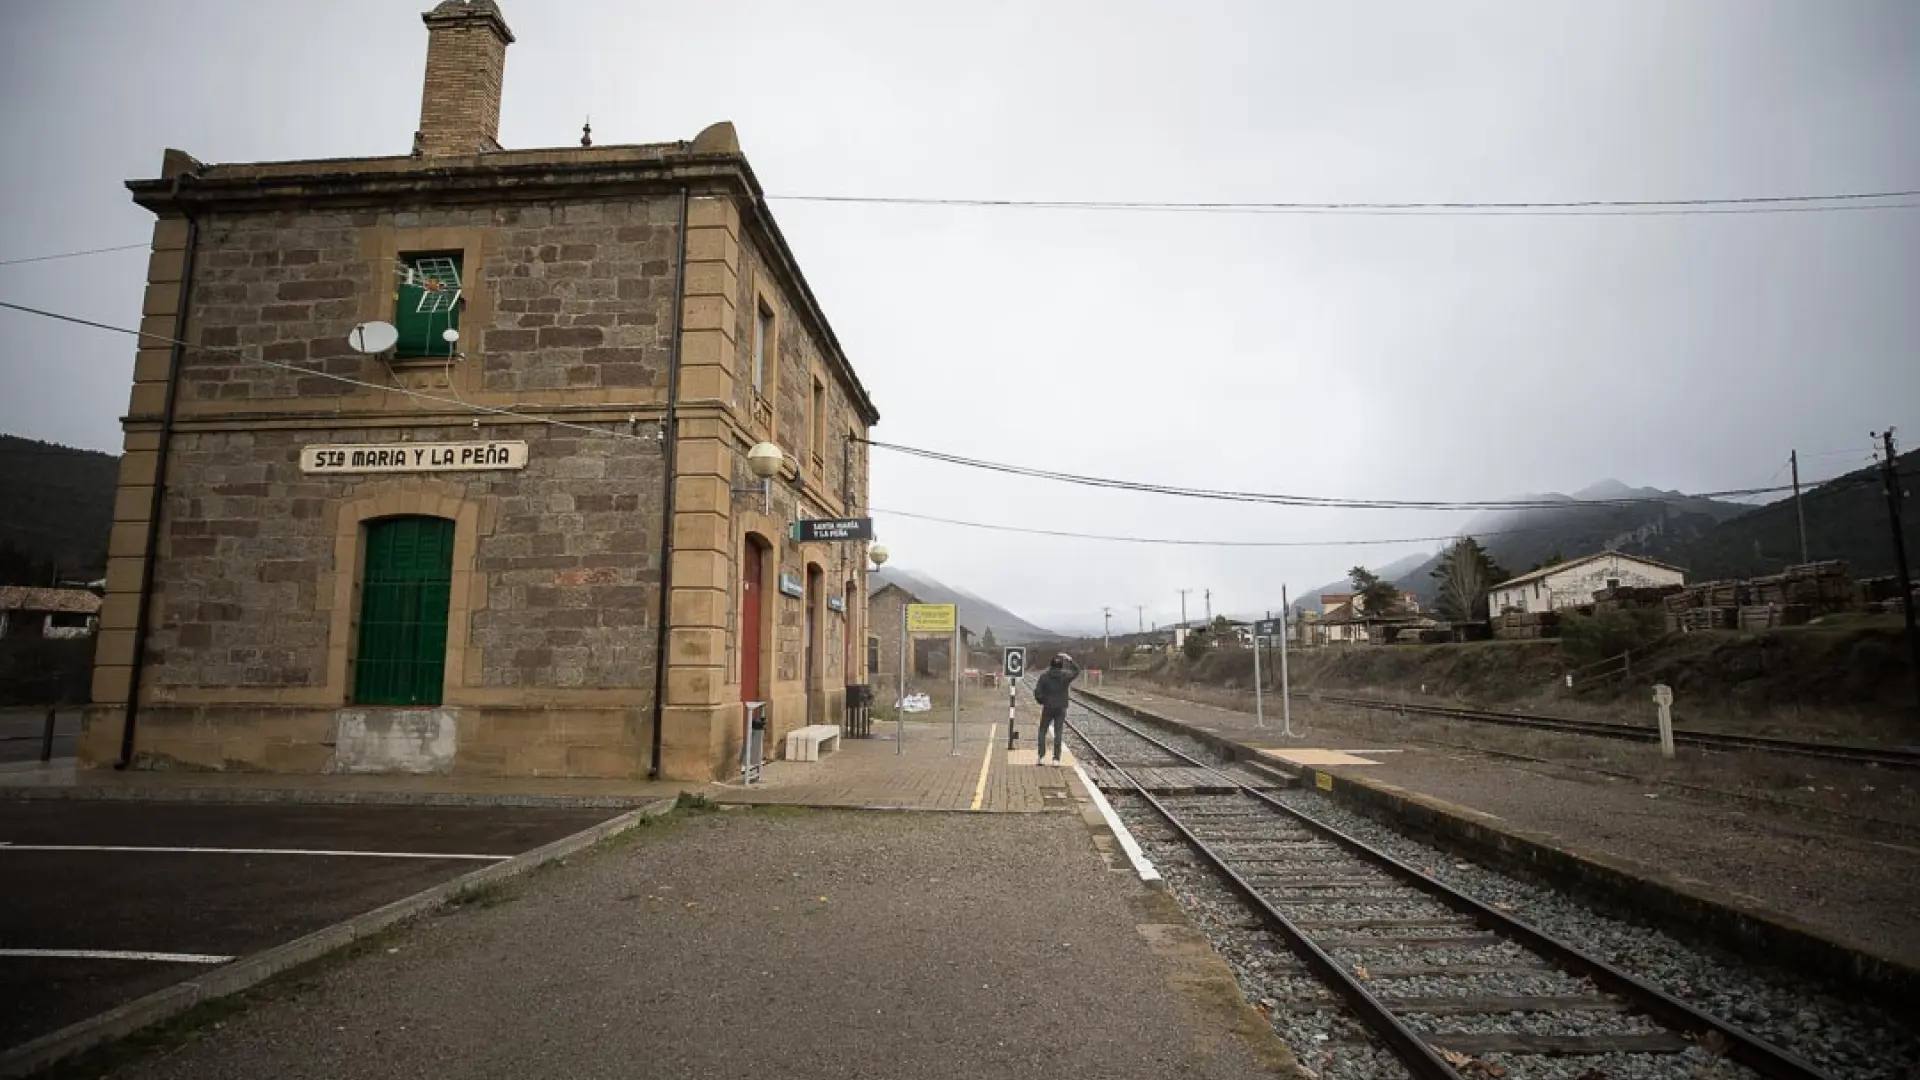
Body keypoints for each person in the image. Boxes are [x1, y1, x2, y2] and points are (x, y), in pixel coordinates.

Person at [1031, 653, 1081, 765]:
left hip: (1048, 707)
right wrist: (1070, 659)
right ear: (1061, 666)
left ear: (1051, 665)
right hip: (1061, 708)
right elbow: (1077, 671)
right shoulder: (1065, 676)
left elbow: (1037, 692)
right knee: (1058, 733)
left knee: (1042, 731)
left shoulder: (1044, 676)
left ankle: (1041, 757)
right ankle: (1056, 760)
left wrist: (1042, 701)